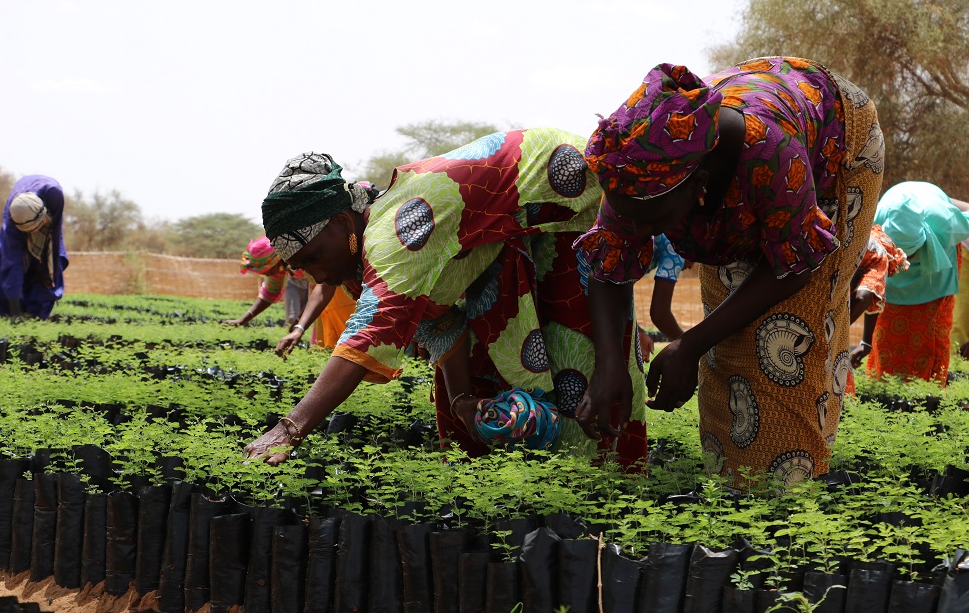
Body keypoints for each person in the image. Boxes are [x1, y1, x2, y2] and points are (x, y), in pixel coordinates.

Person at [244, 128, 648, 466]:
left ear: (341, 222)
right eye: (303, 267)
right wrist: (461, 401)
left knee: (581, 357)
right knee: (487, 363)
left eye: (314, 256)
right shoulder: (363, 260)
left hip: (571, 199)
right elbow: (440, 325)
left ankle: (606, 486)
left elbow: (369, 335)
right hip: (513, 233)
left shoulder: (391, 237)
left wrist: (290, 427)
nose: (318, 275)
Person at [574, 57, 884, 484]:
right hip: (748, 161)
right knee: (730, 345)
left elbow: (794, 269)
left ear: (699, 185)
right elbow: (609, 263)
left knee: (788, 340)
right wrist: (609, 365)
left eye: (652, 221)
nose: (640, 232)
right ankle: (731, 487)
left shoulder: (771, 152)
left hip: (833, 142)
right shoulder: (639, 168)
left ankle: (785, 499)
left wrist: (691, 343)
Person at [860, 182, 969, 386]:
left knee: (931, 334)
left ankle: (931, 392)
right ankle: (883, 386)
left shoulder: (945, 222)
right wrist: (865, 341)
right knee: (887, 334)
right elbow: (871, 286)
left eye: (911, 254)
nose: (906, 264)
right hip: (886, 256)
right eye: (900, 257)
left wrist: (943, 197)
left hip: (938, 273)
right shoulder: (875, 225)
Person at [0, 175, 68, 321]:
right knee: (3, 260)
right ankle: (12, 310)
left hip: (45, 211)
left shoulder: (54, 195)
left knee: (47, 267)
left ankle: (36, 313)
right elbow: (12, 260)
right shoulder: (14, 218)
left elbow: (53, 242)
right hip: (22, 210)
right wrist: (15, 307)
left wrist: (50, 274)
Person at [847, 225, 909, 369]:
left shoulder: (864, 235)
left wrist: (866, 343)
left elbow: (872, 296)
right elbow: (864, 296)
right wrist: (835, 329)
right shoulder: (879, 257)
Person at [637, 233, 690, 362]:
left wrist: (638, 331)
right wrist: (689, 344)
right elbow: (660, 315)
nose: (690, 267)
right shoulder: (678, 250)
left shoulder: (667, 237)